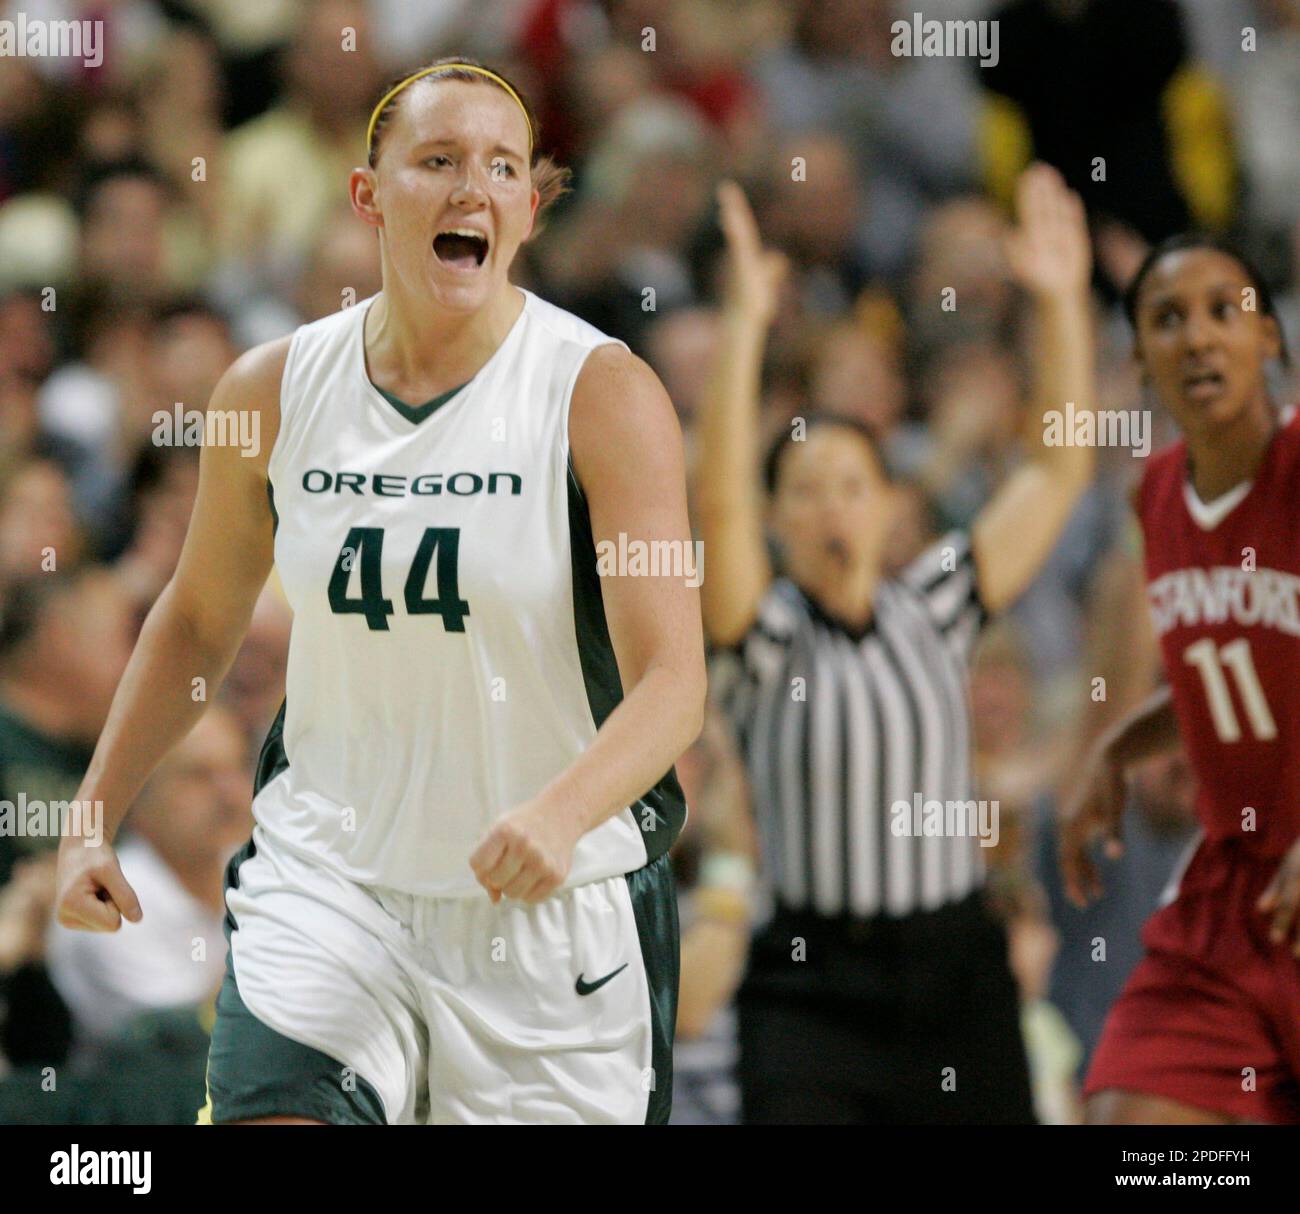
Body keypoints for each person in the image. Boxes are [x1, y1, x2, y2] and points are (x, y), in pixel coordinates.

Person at [53, 57, 705, 1126]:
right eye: (437, 161)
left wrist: (563, 808)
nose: (471, 189)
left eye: (501, 167)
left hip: (550, 919)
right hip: (332, 885)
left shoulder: (601, 394)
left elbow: (674, 684)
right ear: (369, 197)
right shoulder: (267, 389)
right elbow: (199, 618)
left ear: (530, 209)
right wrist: (92, 813)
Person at [700, 163, 1097, 1124]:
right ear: (776, 520)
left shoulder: (940, 600)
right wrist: (747, 327)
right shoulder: (766, 638)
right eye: (804, 486)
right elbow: (714, 504)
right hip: (811, 978)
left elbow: (1058, 467)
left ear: (890, 507)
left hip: (955, 966)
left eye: (851, 482)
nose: (831, 502)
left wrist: (1059, 303)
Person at [1063, 235, 1300, 1125]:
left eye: (1223, 311)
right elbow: (1240, 676)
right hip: (1238, 897)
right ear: (1140, 361)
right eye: (1168, 319)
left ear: (1270, 340)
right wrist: (1117, 750)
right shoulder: (1156, 495)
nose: (1198, 338)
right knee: (1138, 1129)